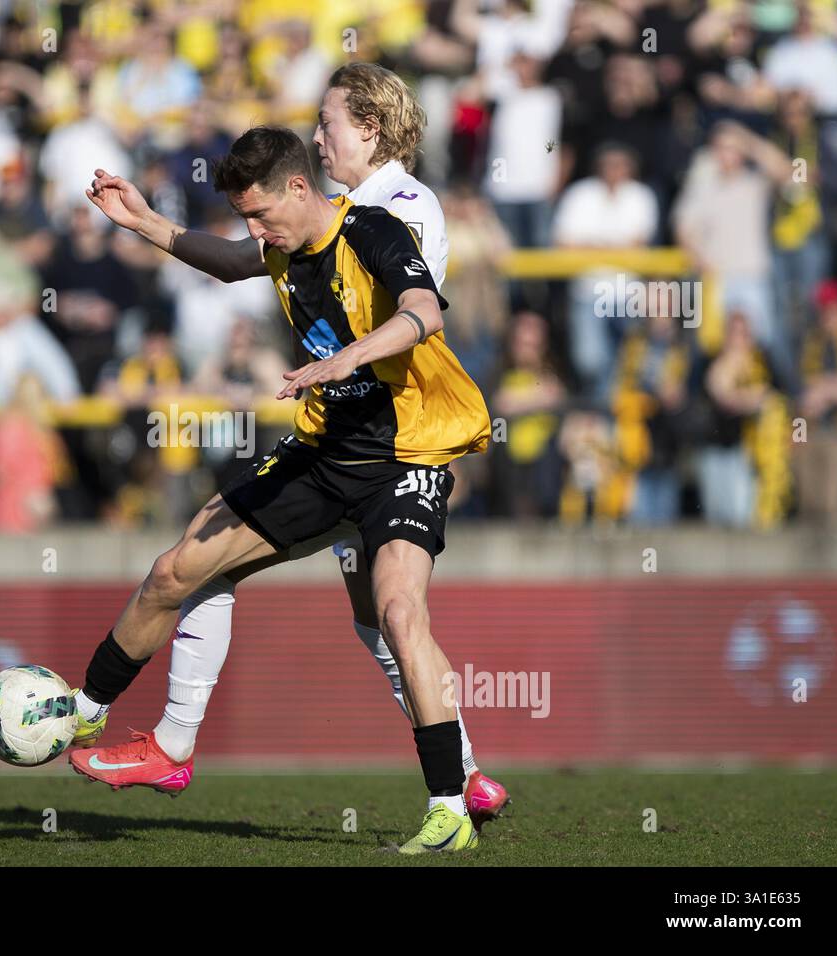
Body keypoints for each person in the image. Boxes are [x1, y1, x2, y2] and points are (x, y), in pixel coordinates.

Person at [69, 64, 510, 834]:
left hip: (402, 444)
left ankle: (455, 783)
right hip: (329, 446)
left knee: (393, 616)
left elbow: (417, 308)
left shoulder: (390, 209)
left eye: (328, 120)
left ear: (368, 129)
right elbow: (247, 257)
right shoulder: (308, 217)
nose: (317, 134)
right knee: (220, 572)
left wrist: (346, 357)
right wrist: (145, 222)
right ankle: (151, 735)